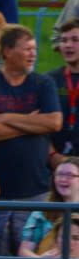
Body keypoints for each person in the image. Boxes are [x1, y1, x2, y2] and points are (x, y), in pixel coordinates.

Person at [0, 24, 62, 257]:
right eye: (27, 48)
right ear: (8, 51)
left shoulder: (43, 84)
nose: (33, 54)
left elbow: (53, 123)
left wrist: (6, 117)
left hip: (36, 190)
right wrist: (31, 124)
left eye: (34, 49)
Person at [18, 158, 79, 259]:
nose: (63, 179)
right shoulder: (41, 212)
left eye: (70, 175)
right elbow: (24, 251)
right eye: (59, 174)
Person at [46, 19, 79, 159]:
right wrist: (53, 156)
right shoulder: (48, 80)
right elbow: (36, 125)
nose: (68, 45)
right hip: (55, 163)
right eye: (64, 40)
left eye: (75, 40)